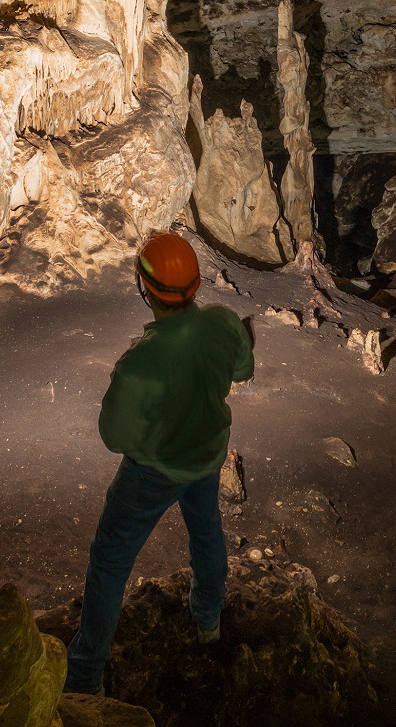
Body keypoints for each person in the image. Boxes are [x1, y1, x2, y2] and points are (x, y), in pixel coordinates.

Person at [64, 231, 255, 696]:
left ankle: (86, 678)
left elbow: (114, 437)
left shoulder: (140, 362)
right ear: (195, 286)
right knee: (207, 535)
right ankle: (208, 621)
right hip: (206, 455)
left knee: (110, 563)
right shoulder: (223, 322)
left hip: (152, 472)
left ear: (144, 289)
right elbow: (243, 370)